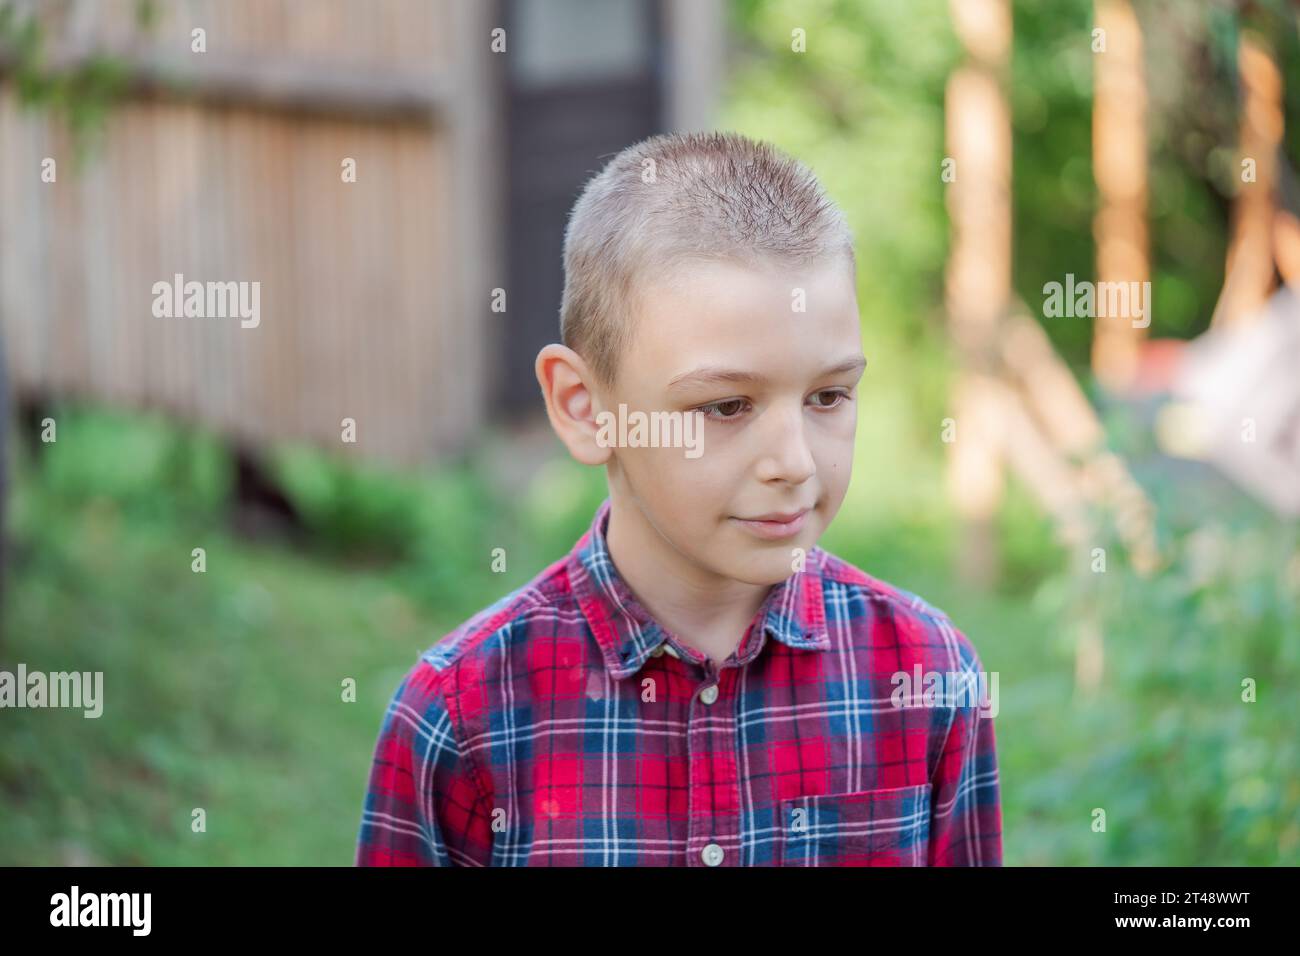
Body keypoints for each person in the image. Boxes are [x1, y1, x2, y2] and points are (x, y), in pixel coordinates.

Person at [356, 131, 1002, 866]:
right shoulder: (460, 717)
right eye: (727, 406)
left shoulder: (928, 679)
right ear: (583, 406)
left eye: (828, 395)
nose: (794, 463)